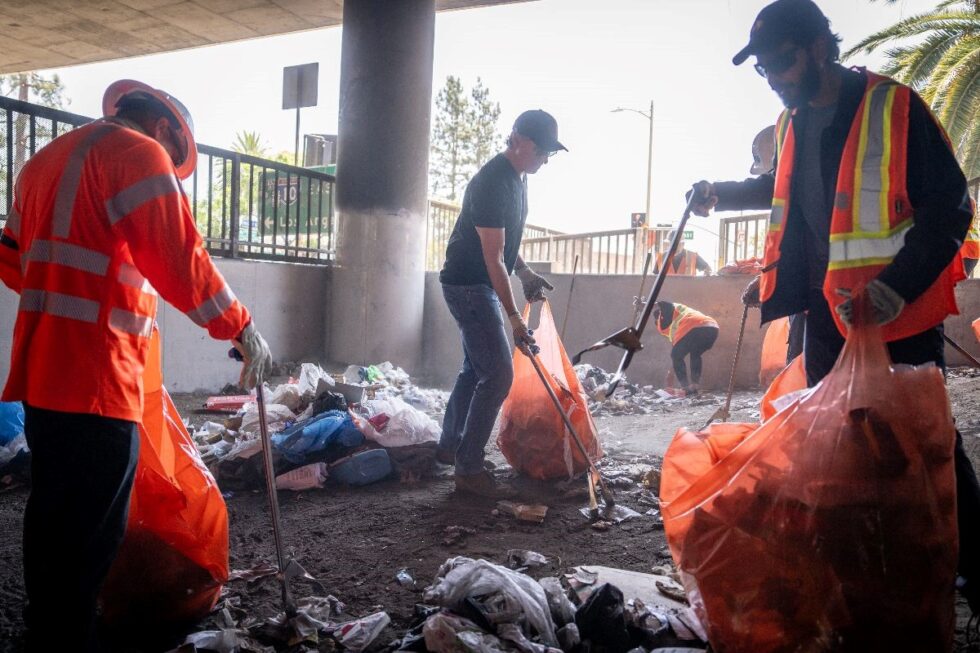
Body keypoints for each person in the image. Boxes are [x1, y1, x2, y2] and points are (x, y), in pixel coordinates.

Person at [687, 0, 980, 609]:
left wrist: (895, 285)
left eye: (781, 63)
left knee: (923, 444)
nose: (772, 78)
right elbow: (782, 186)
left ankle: (972, 566)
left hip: (897, 315)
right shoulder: (791, 121)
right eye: (763, 68)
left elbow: (951, 208)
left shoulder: (893, 108)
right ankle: (862, 572)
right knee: (837, 443)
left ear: (819, 49)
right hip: (827, 316)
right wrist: (722, 191)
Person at [0, 79, 272, 651]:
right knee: (93, 530)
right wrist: (240, 326)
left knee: (53, 512)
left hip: (43, 372)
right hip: (100, 377)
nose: (171, 169)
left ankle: (44, 627)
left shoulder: (43, 162)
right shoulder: (139, 155)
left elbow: (11, 261)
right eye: (176, 157)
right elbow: (180, 259)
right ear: (165, 128)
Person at [437, 109, 564, 498]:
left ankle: (450, 446)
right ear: (519, 141)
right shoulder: (493, 182)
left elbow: (505, 245)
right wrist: (513, 318)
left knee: (475, 370)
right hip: (470, 285)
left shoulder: (517, 179)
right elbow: (493, 258)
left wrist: (524, 272)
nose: (546, 160)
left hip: (477, 283)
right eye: (542, 151)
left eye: (550, 154)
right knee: (497, 375)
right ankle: (468, 469)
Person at [653, 301, 719, 396]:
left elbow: (664, 304)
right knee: (695, 354)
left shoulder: (667, 314)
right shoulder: (676, 323)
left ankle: (685, 387)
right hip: (712, 327)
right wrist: (671, 372)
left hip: (693, 326)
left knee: (677, 356)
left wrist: (648, 304)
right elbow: (676, 353)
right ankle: (695, 386)